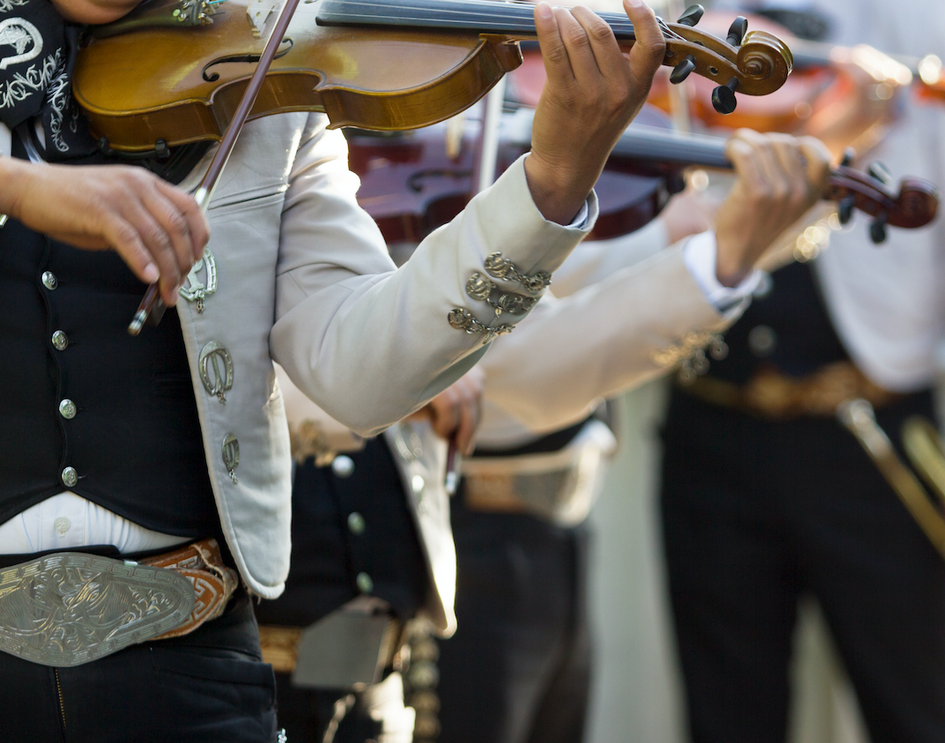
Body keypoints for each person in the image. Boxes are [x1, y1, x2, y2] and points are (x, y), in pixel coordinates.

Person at [0, 0, 672, 738]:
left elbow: (360, 371)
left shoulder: (260, 71)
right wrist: (3, 185)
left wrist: (550, 183)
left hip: (192, 674)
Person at [264, 126, 832, 743]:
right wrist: (702, 246)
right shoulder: (321, 159)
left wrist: (733, 244)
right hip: (418, 550)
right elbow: (510, 363)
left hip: (523, 549)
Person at [658, 0, 945, 741]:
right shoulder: (670, 22)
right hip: (710, 434)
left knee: (913, 712)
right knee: (724, 719)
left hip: (871, 439)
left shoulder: (915, 10)